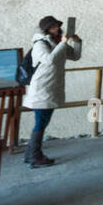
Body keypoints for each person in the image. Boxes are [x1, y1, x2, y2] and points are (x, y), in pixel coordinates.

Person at [23, 15, 82, 168]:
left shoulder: (55, 41)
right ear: (47, 29)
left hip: (50, 87)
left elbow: (75, 56)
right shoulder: (40, 44)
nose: (57, 28)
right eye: (54, 26)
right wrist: (63, 43)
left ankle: (31, 154)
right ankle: (35, 157)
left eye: (57, 26)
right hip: (42, 89)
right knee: (41, 122)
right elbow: (49, 60)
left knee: (42, 122)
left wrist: (77, 42)